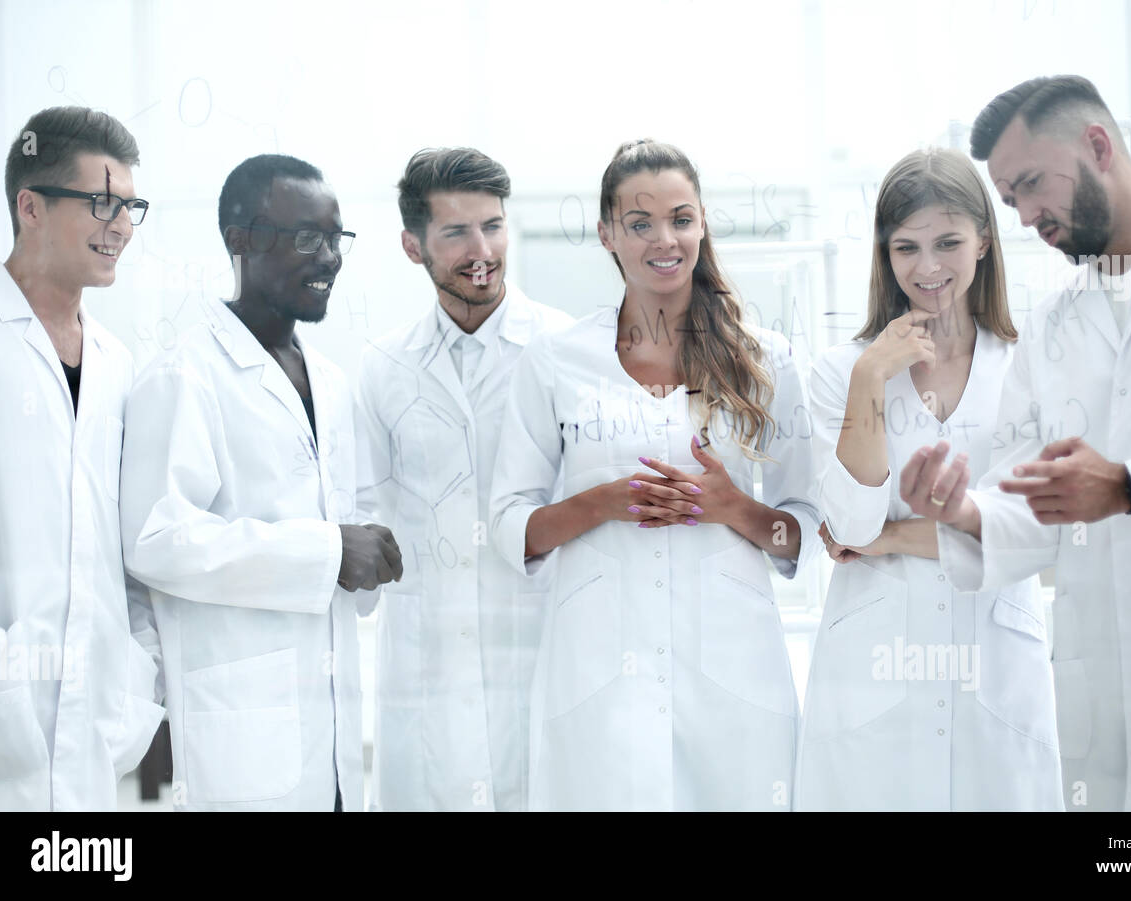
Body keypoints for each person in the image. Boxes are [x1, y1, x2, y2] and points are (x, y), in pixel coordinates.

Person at [899, 75, 1131, 810]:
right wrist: (964, 512)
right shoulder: (1051, 325)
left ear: (1099, 146)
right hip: (1104, 706)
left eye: (1034, 184)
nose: (1027, 215)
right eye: (1010, 200)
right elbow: (1026, 494)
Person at [489, 139, 819, 811]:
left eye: (681, 218)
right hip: (598, 675)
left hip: (732, 673)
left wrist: (734, 508)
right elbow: (508, 526)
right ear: (607, 232)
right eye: (639, 224)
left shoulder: (766, 360)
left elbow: (804, 530)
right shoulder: (556, 361)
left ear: (702, 223)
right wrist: (604, 501)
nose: (663, 239)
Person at [119, 154, 402, 811]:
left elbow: (344, 523)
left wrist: (369, 551)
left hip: (330, 737)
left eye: (337, 238)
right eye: (308, 238)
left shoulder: (330, 382)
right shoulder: (183, 375)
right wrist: (328, 552)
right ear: (239, 240)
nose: (329, 257)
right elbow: (157, 539)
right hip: (239, 745)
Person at [795, 149, 1062, 811]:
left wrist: (889, 540)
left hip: (995, 658)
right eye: (906, 247)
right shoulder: (842, 370)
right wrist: (869, 381)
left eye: (947, 242)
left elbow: (1030, 534)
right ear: (885, 255)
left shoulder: (1029, 364)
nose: (928, 267)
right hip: (874, 669)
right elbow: (852, 526)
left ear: (984, 242)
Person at [354, 147, 572, 811]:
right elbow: (363, 519)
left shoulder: (565, 351)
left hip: (543, 661)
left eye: (493, 226)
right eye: (456, 232)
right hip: (427, 674)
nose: (482, 249)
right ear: (412, 246)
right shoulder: (384, 368)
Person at [0, 106, 164, 810]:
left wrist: (138, 672)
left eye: (129, 207)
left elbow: (126, 547)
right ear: (30, 206)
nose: (119, 225)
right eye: (100, 202)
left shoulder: (119, 364)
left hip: (90, 738)